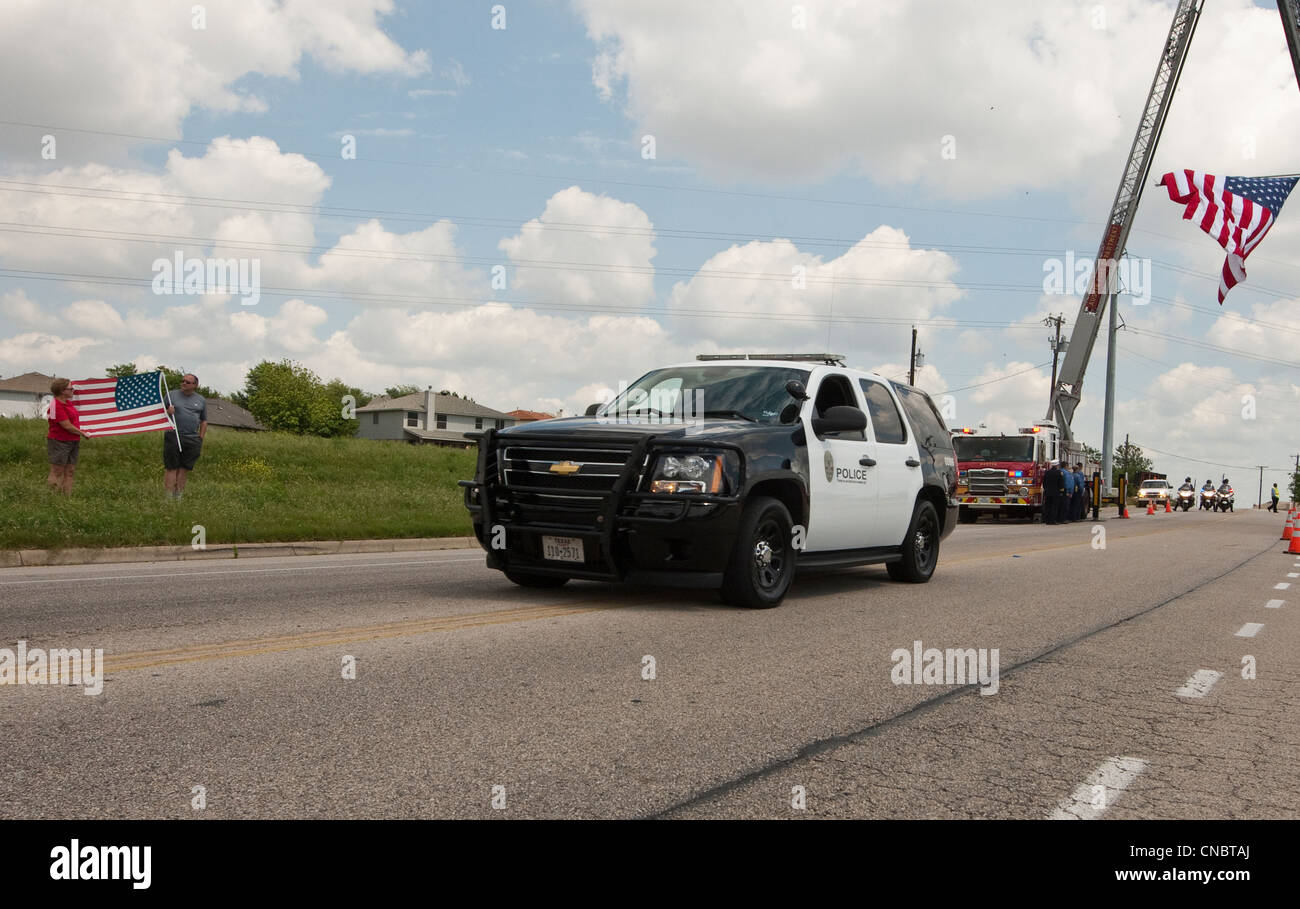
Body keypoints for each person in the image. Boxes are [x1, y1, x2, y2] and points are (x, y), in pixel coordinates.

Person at [45, 377, 93, 495]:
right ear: (62, 390)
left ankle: (66, 498)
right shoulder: (55, 405)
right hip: (59, 441)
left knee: (70, 470)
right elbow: (66, 425)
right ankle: (50, 498)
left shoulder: (67, 403)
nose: (73, 390)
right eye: (70, 388)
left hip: (73, 440)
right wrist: (83, 433)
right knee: (57, 470)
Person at [163, 373, 207, 500]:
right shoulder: (171, 395)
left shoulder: (201, 400)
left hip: (192, 439)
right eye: (182, 381)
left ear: (195, 385)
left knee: (184, 469)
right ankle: (168, 499)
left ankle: (178, 497)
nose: (183, 383)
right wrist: (167, 412)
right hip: (173, 435)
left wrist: (201, 437)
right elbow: (159, 413)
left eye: (187, 382)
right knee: (171, 468)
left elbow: (204, 420)